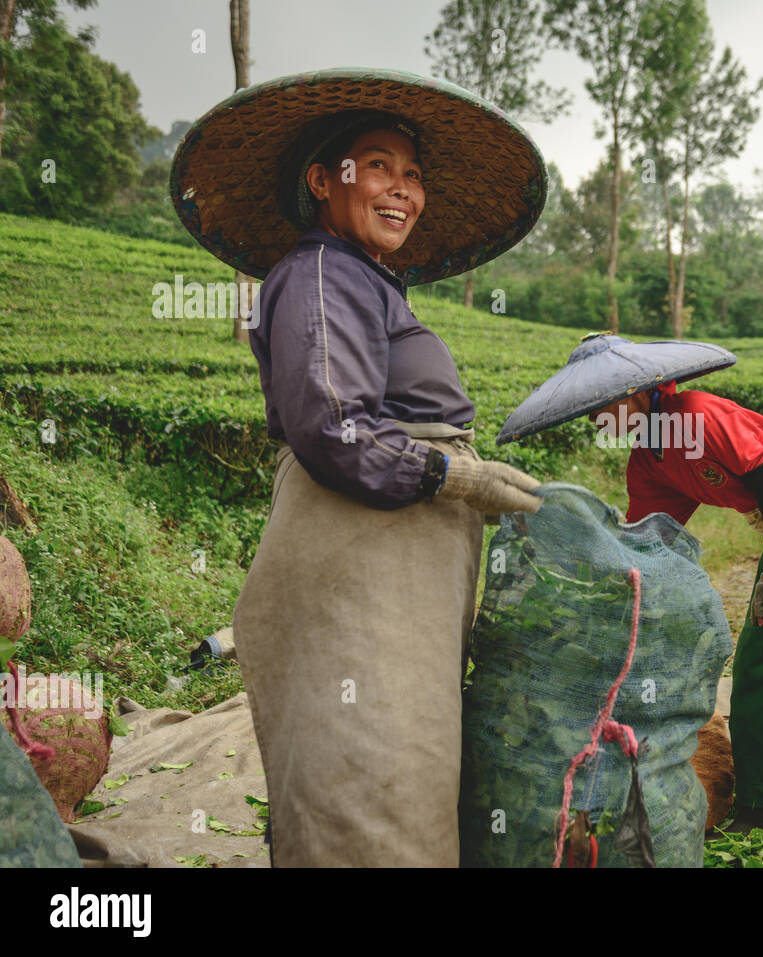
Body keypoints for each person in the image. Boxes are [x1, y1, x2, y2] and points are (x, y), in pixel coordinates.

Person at [170, 69, 548, 866]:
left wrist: (461, 476)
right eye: (377, 166)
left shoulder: (364, 280)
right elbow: (333, 426)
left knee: (407, 760)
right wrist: (455, 478)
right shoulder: (319, 272)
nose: (402, 190)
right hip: (360, 557)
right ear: (323, 181)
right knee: (372, 766)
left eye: (413, 175)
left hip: (397, 558)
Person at [496, 333, 763, 832]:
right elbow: (648, 540)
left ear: (637, 393)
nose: (598, 420)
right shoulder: (649, 460)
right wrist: (599, 587)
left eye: (603, 406)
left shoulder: (696, 414)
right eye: (591, 412)